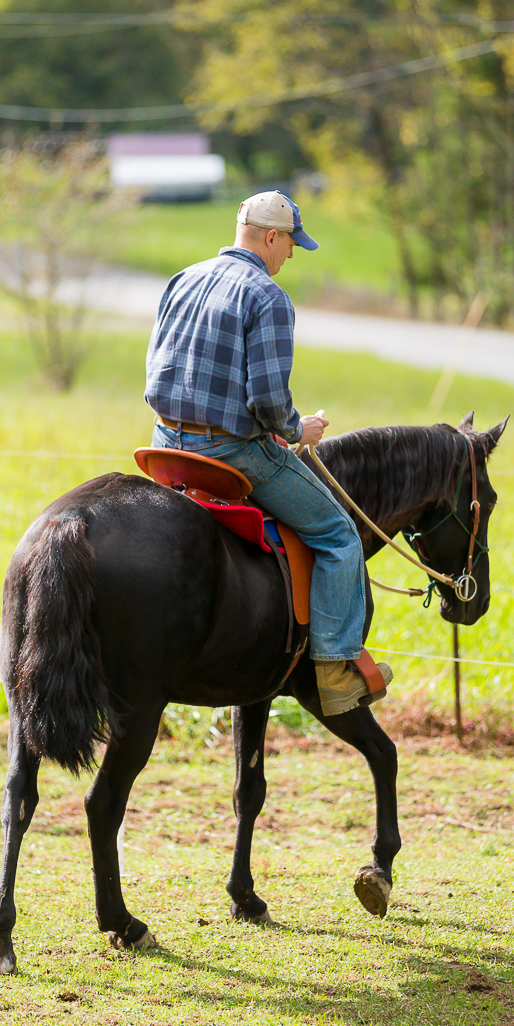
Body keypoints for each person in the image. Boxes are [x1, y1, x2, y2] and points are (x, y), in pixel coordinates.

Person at [144, 189, 391, 716]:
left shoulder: (182, 278)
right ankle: (335, 671)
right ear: (271, 237)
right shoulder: (268, 298)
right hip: (228, 453)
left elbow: (156, 372)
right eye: (291, 244)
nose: (292, 256)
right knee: (340, 535)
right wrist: (297, 428)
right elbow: (267, 400)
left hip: (164, 444)